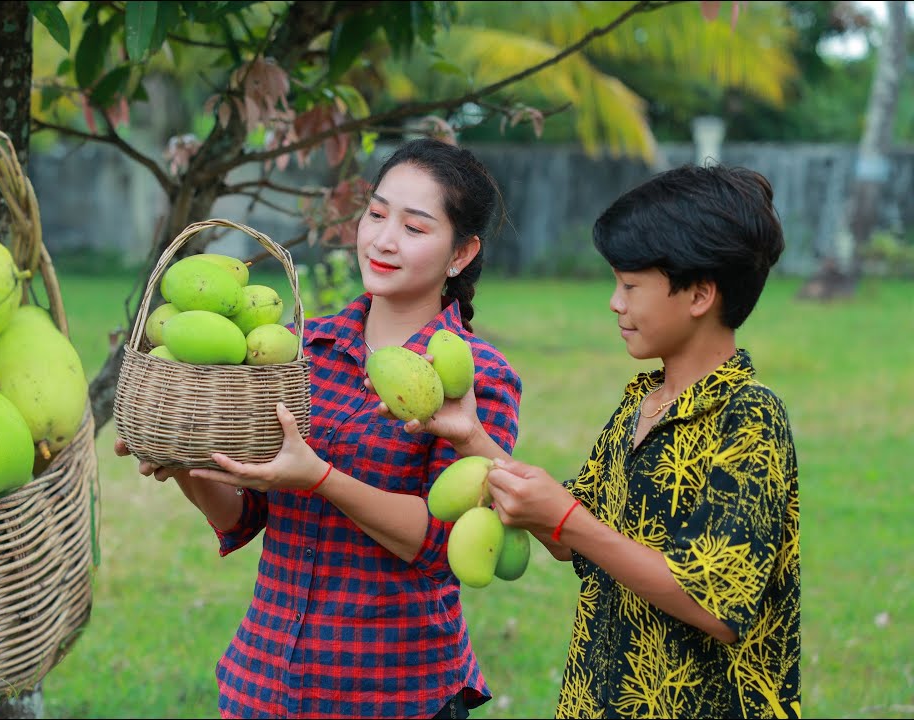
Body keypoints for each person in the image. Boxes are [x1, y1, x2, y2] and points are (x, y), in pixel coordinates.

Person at [114, 137, 523, 718]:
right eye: (376, 214)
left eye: (414, 227)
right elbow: (246, 513)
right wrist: (186, 464)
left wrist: (320, 479)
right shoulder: (302, 350)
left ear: (461, 254)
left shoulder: (476, 379)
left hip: (389, 695)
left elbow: (440, 544)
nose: (382, 239)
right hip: (263, 686)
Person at [482, 164, 801, 718]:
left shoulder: (749, 418)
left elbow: (718, 604)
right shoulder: (641, 403)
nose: (614, 302)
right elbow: (572, 537)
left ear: (700, 294)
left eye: (630, 285)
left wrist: (565, 520)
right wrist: (468, 436)